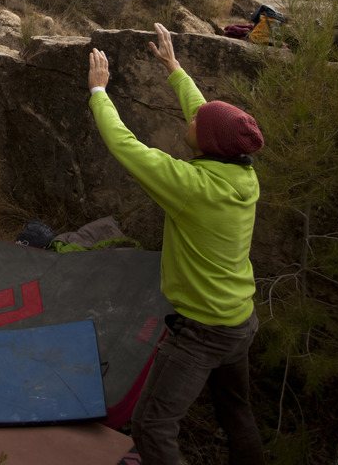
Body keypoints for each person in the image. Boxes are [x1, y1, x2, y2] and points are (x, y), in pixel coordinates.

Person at [87, 24, 265, 465]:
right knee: (235, 413)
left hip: (202, 331)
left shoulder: (192, 187)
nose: (190, 120)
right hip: (240, 319)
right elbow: (209, 116)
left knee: (152, 427)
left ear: (207, 145)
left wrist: (98, 92)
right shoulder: (242, 174)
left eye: (193, 126)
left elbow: (126, 146)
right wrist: (174, 68)